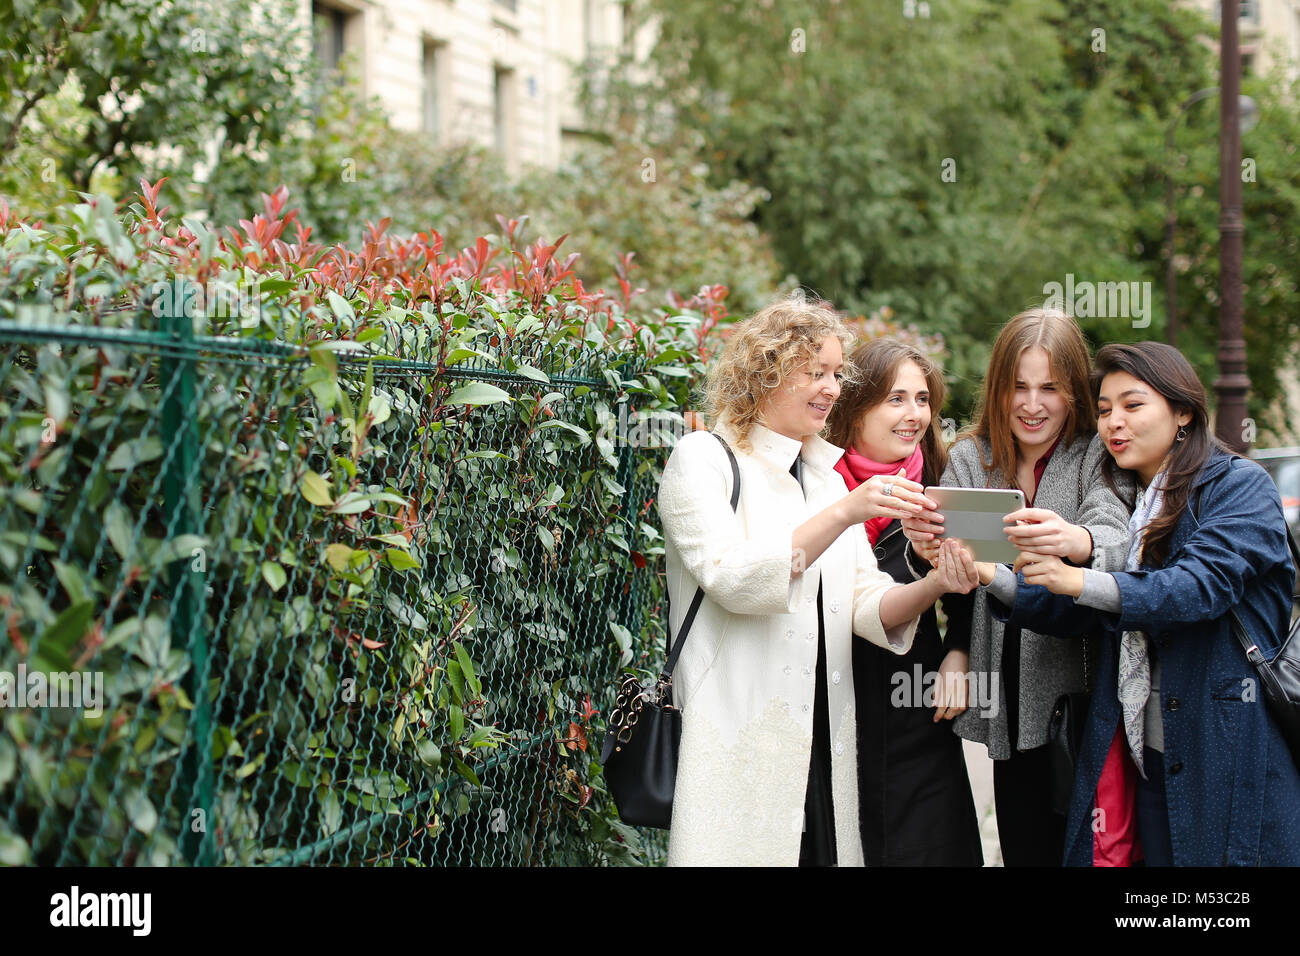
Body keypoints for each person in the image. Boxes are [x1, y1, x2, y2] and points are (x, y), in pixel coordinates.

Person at [658, 298, 981, 866]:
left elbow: (866, 605)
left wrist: (937, 583)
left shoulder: (824, 478)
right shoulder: (702, 458)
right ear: (766, 371)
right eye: (816, 372)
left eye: (837, 373)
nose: (832, 388)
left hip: (827, 751)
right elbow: (734, 578)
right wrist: (844, 514)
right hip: (741, 740)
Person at [981, 342, 1300, 866]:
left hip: (1227, 750)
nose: (1113, 423)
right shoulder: (1135, 501)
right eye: (1104, 410)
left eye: (1133, 405)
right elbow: (1092, 609)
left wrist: (1077, 580)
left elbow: (1193, 589)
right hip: (1144, 755)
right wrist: (993, 577)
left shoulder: (1240, 487)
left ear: (1182, 413)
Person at [902, 307, 1131, 866]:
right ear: (998, 388)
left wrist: (1071, 537)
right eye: (1018, 387)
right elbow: (954, 581)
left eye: (1050, 388)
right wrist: (954, 643)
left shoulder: (1096, 455)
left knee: (1091, 845)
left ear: (1074, 390)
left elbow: (1114, 536)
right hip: (1003, 692)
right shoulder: (969, 458)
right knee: (1023, 842)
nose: (1032, 405)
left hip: (1077, 689)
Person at [825, 337, 982, 866]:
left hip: (914, 701)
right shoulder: (817, 488)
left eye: (922, 398)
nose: (914, 413)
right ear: (854, 405)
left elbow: (971, 589)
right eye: (895, 398)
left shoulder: (941, 486)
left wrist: (959, 652)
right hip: (832, 705)